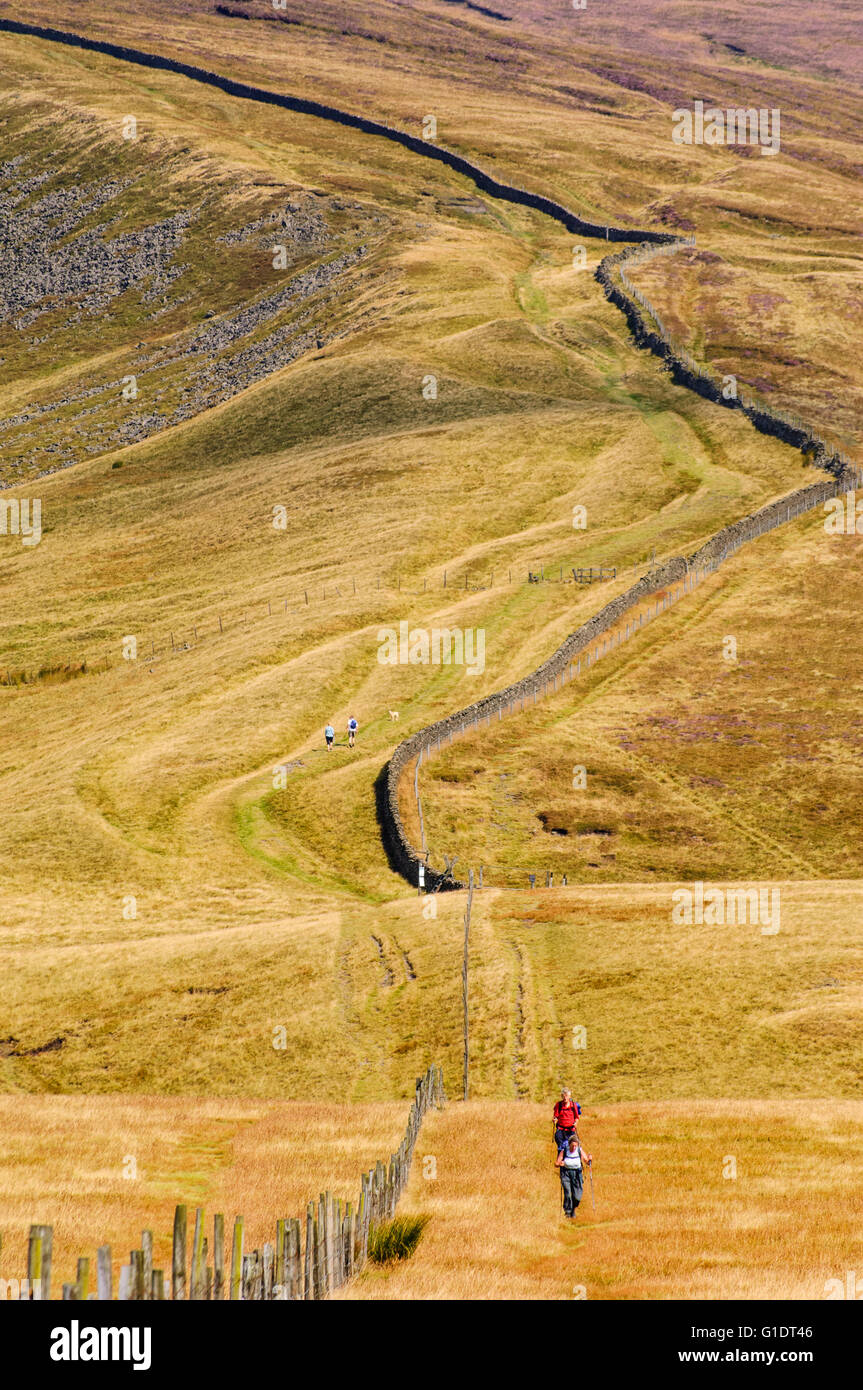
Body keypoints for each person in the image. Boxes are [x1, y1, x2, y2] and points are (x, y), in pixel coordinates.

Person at [556, 1134, 591, 1219]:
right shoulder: (564, 1151)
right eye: (573, 1146)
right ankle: (567, 1212)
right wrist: (560, 1164)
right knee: (567, 1192)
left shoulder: (579, 1150)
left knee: (577, 1195)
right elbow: (556, 1163)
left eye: (576, 1145)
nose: (574, 1147)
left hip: (577, 1174)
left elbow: (586, 1161)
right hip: (566, 1173)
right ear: (569, 1144)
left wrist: (590, 1159)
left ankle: (573, 1209)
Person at [553, 1087, 580, 1153]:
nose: (565, 1098)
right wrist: (554, 1119)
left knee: (573, 1147)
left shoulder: (573, 1105)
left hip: (571, 1130)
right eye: (563, 1096)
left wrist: (576, 1123)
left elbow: (577, 1117)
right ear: (561, 1096)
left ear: (569, 1096)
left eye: (566, 1096)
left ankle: (572, 1161)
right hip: (560, 1130)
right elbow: (555, 1116)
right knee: (561, 1147)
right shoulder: (558, 1105)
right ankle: (560, 1161)